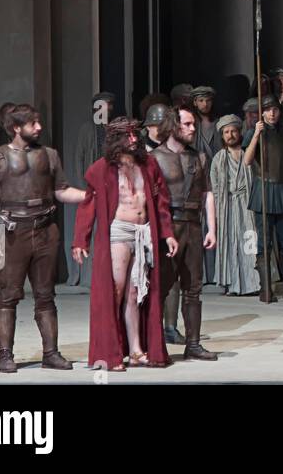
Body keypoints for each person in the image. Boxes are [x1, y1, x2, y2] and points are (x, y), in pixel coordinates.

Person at [0, 104, 87, 372]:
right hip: (12, 232)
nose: (39, 127)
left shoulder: (50, 155)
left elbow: (61, 191)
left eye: (39, 122)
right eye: (32, 123)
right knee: (8, 295)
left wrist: (90, 196)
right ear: (16, 127)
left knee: (46, 295)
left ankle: (51, 353)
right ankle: (6, 356)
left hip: (45, 230)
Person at [72, 118, 177, 370]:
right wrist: (80, 240)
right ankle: (111, 352)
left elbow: (161, 202)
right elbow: (88, 205)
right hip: (119, 232)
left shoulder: (148, 165)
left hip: (143, 232)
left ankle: (137, 350)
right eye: (127, 136)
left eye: (134, 135)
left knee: (135, 293)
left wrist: (167, 233)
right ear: (115, 140)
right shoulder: (102, 169)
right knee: (115, 292)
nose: (133, 139)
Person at [152, 105, 218, 360]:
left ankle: (193, 344)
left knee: (193, 289)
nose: (192, 129)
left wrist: (212, 228)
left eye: (193, 124)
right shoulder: (155, 158)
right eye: (187, 124)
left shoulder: (199, 157)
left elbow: (207, 193)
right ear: (173, 126)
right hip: (168, 227)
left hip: (193, 225)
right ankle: (155, 345)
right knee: (161, 287)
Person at [244, 95, 283, 301]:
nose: (272, 113)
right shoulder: (254, 132)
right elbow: (247, 160)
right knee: (264, 243)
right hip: (263, 189)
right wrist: (256, 134)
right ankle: (266, 289)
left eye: (275, 109)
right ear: (262, 112)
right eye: (268, 109)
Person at [69, 92, 116, 287]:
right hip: (91, 185)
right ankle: (89, 277)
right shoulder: (87, 129)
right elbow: (79, 159)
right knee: (89, 228)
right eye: (102, 105)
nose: (106, 109)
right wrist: (83, 188)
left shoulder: (113, 129)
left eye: (109, 105)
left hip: (110, 186)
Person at [209, 115, 260, 296]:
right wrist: (217, 213)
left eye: (233, 131)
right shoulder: (218, 159)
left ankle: (254, 284)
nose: (230, 135)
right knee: (231, 244)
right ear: (222, 135)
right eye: (226, 132)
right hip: (228, 207)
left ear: (239, 132)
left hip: (248, 204)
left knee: (250, 242)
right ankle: (232, 284)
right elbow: (215, 189)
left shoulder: (249, 154)